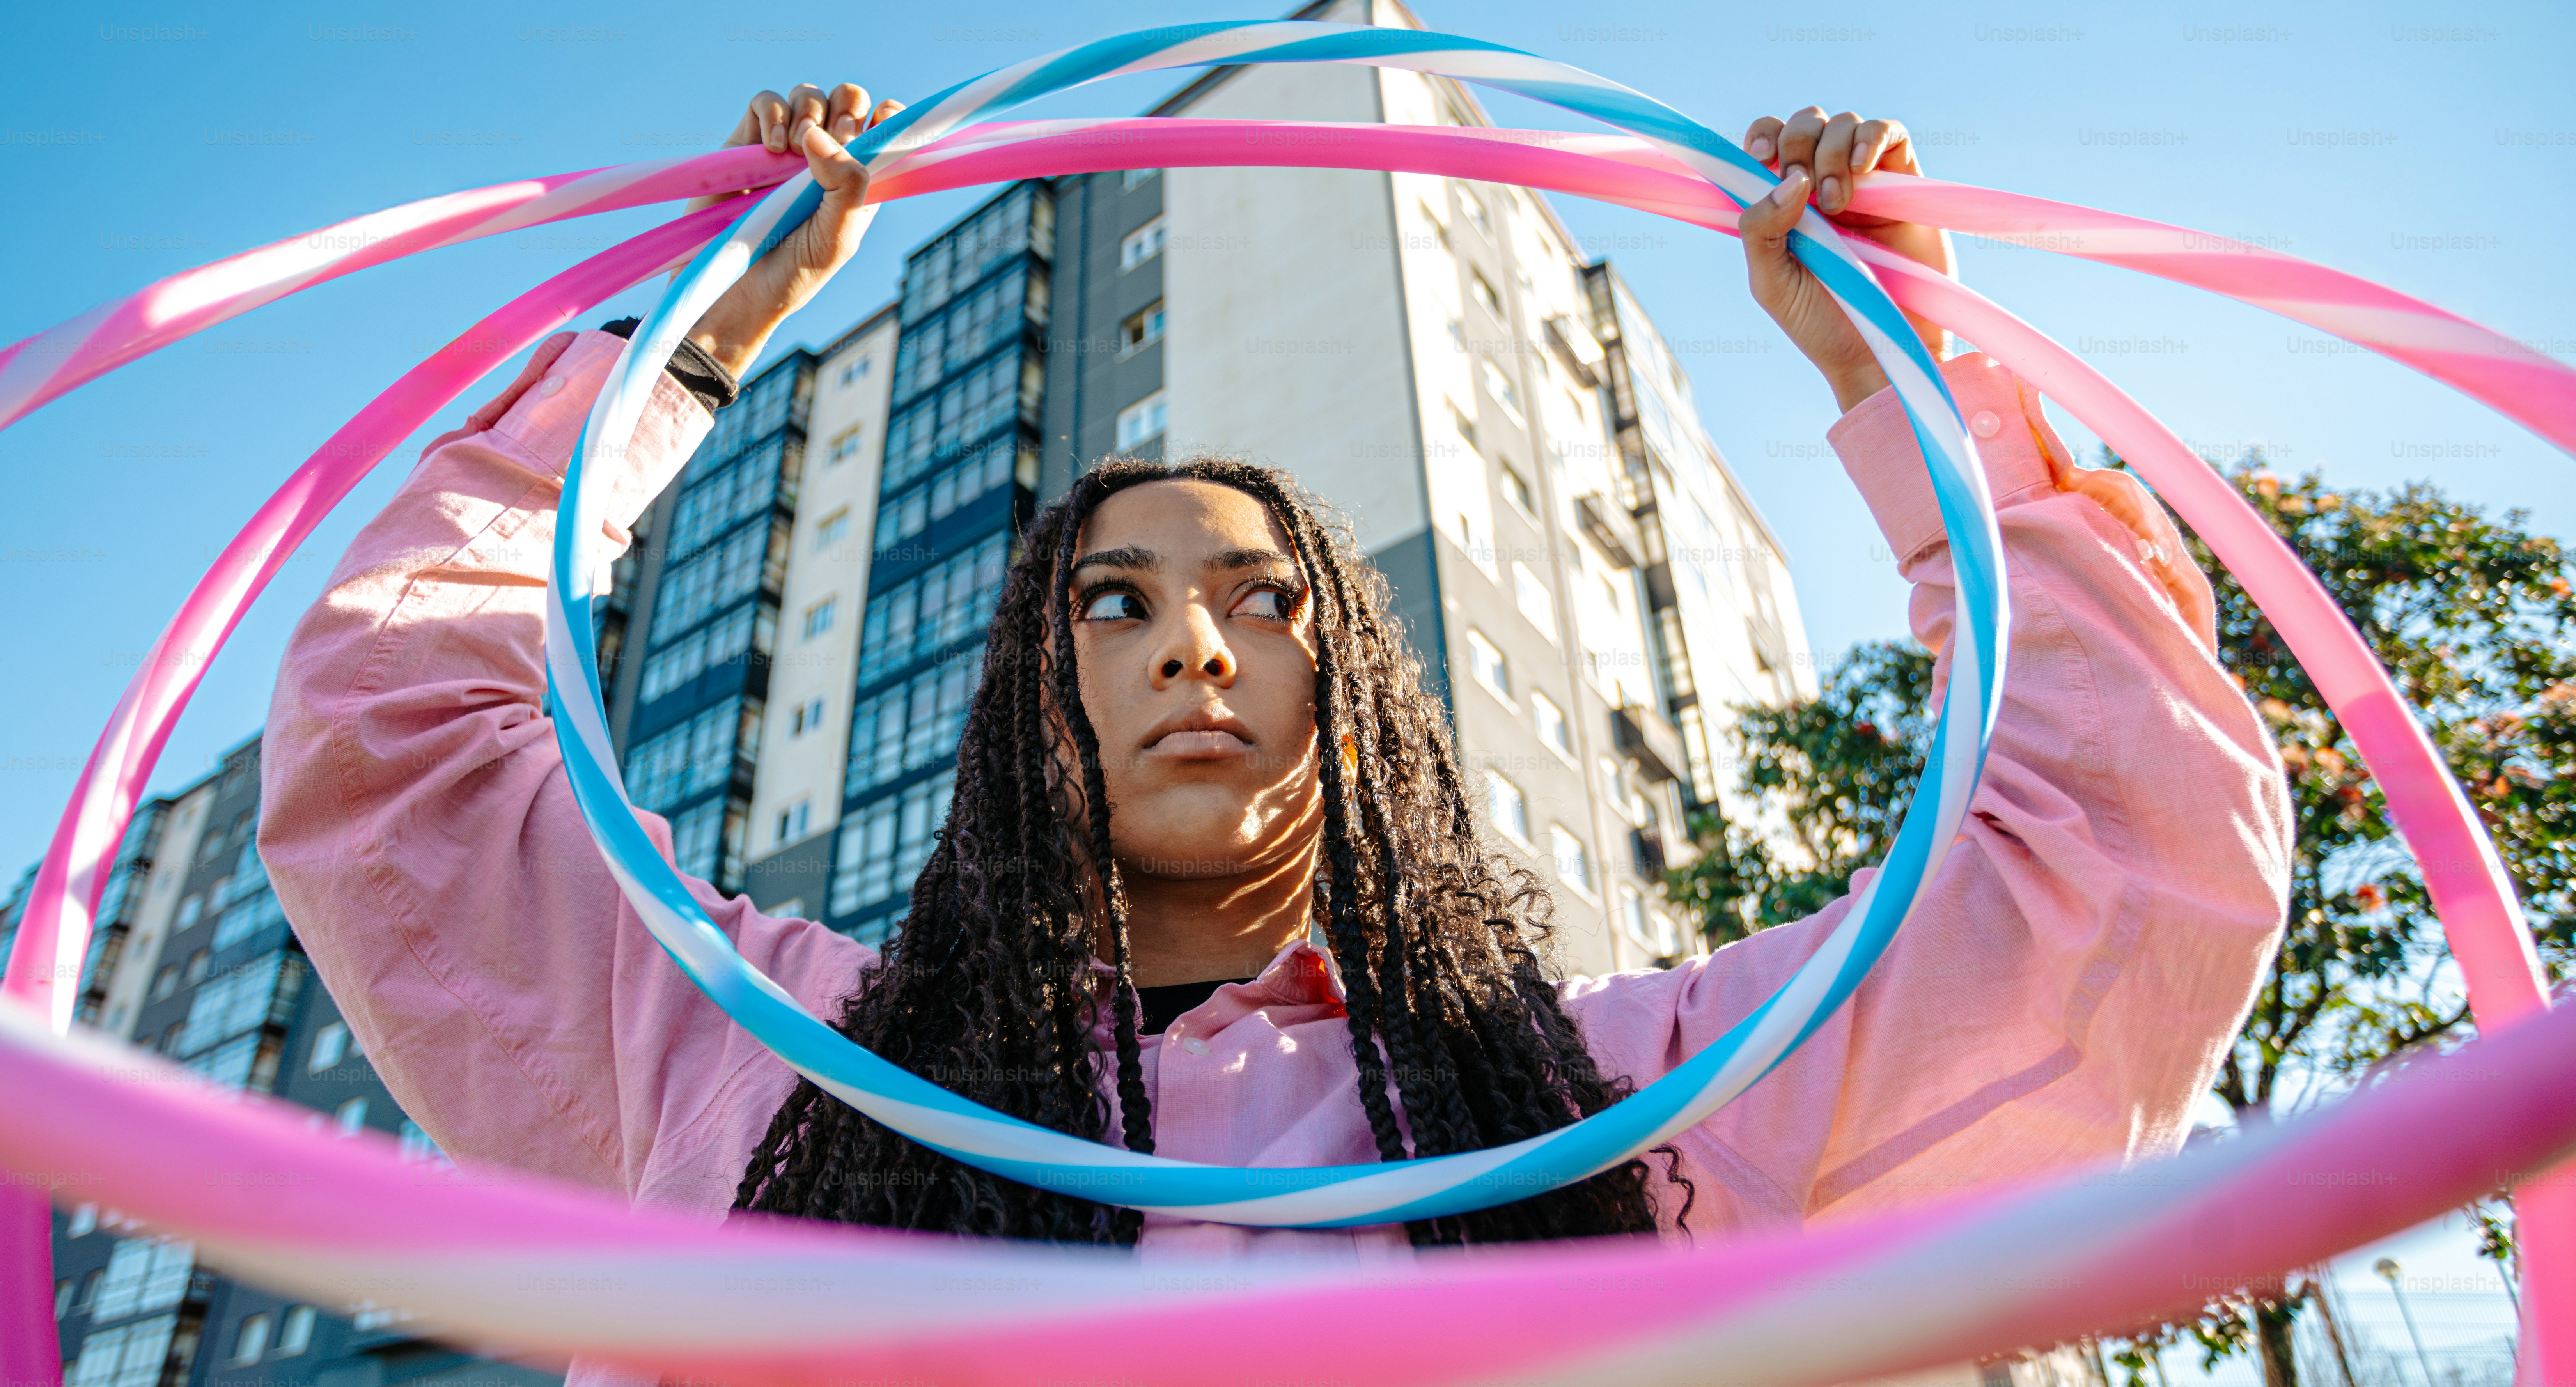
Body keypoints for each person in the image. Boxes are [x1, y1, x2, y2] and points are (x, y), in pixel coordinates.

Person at [260, 76, 2286, 1308]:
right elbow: (399, 762)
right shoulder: (766, 1063)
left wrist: (1905, 386)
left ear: (1364, 690)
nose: (1194, 648)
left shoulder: (1626, 1113)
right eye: (1112, 606)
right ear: (1020, 707)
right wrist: (676, 363)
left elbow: (2118, 873)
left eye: (1260, 597)